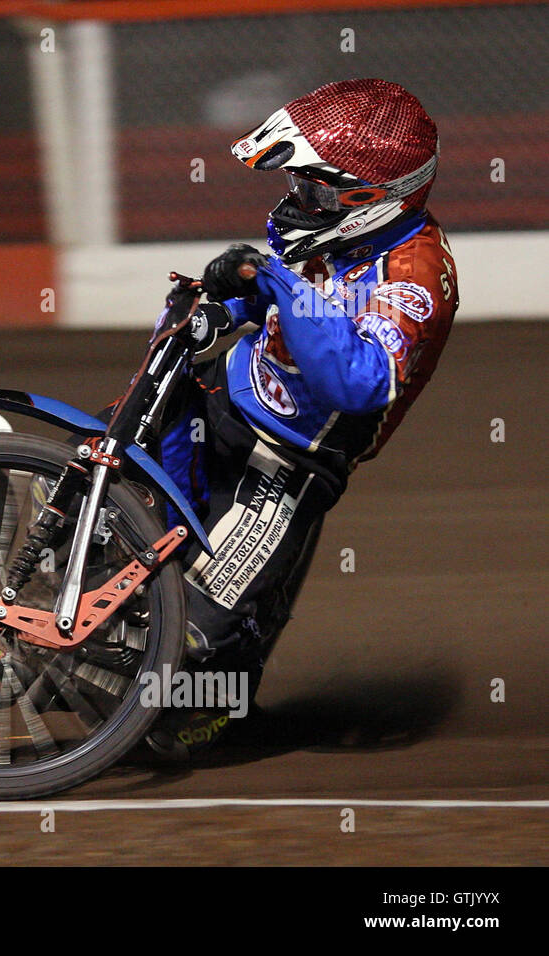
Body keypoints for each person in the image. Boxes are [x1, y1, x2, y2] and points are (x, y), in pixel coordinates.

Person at [146, 78, 458, 757]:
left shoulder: (413, 274)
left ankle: (216, 697)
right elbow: (269, 305)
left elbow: (358, 381)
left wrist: (272, 281)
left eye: (313, 191)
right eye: (297, 185)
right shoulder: (335, 237)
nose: (295, 202)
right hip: (229, 406)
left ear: (370, 199)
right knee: (119, 469)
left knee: (187, 638)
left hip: (289, 465)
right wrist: (218, 313)